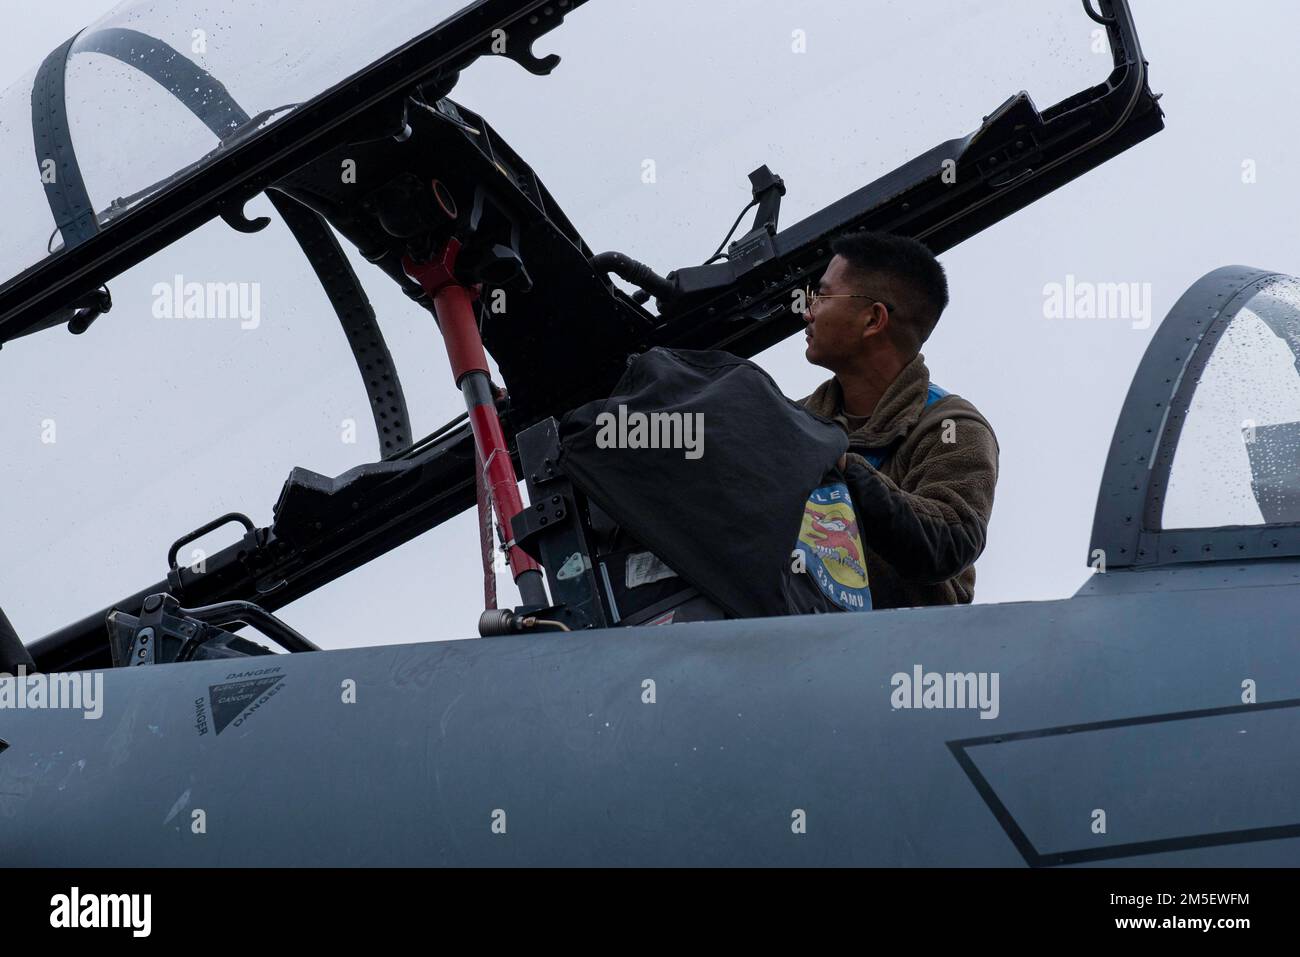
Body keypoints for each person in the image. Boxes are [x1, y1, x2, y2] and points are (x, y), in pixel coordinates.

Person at [798, 231, 998, 608]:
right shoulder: (794, 419)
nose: (807, 311)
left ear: (873, 319)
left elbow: (950, 540)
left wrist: (843, 467)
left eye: (822, 296)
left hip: (900, 656)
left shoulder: (952, 429)